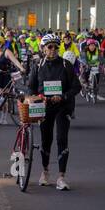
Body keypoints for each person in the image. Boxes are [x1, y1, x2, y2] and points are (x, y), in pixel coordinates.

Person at [26, 33, 80, 190]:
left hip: (63, 106)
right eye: (49, 47)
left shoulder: (66, 65)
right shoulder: (37, 66)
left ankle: (61, 177)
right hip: (45, 107)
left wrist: (63, 96)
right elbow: (31, 86)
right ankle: (45, 172)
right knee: (46, 139)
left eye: (56, 47)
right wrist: (33, 98)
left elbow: (76, 87)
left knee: (62, 139)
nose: (53, 50)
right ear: (43, 48)